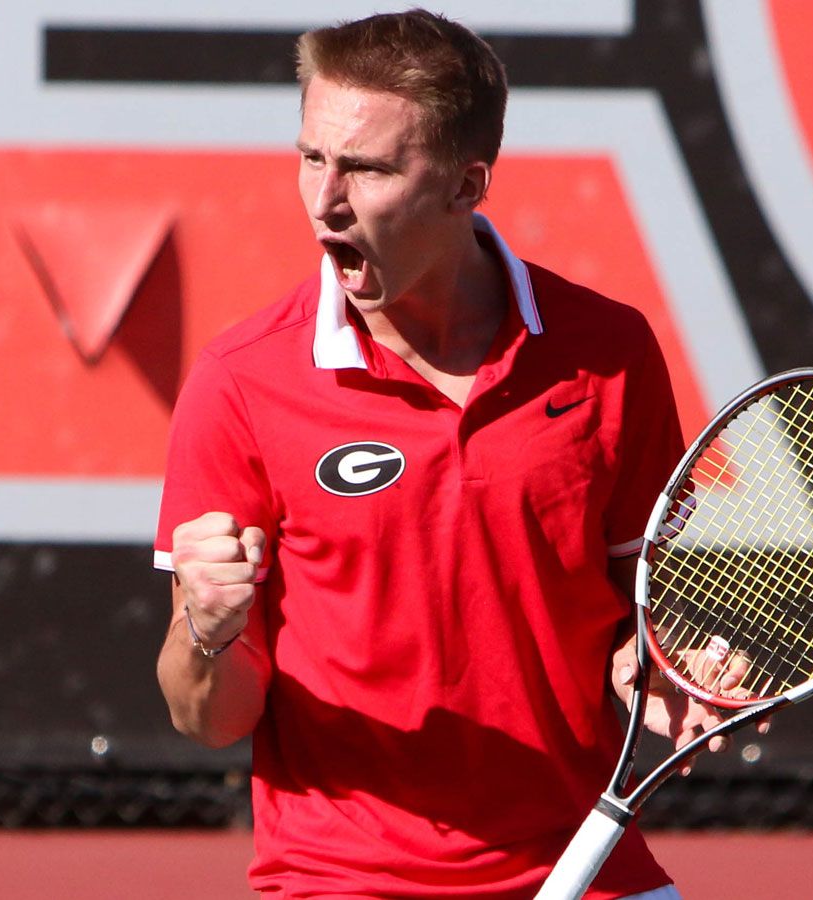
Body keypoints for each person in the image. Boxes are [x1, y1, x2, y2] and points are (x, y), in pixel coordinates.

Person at [154, 10, 746, 898]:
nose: (326, 200)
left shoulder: (608, 351)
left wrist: (662, 671)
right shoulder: (242, 382)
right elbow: (205, 717)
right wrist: (209, 626)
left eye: (367, 167)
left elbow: (641, 622)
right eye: (312, 157)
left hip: (585, 864)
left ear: (467, 185)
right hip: (343, 879)